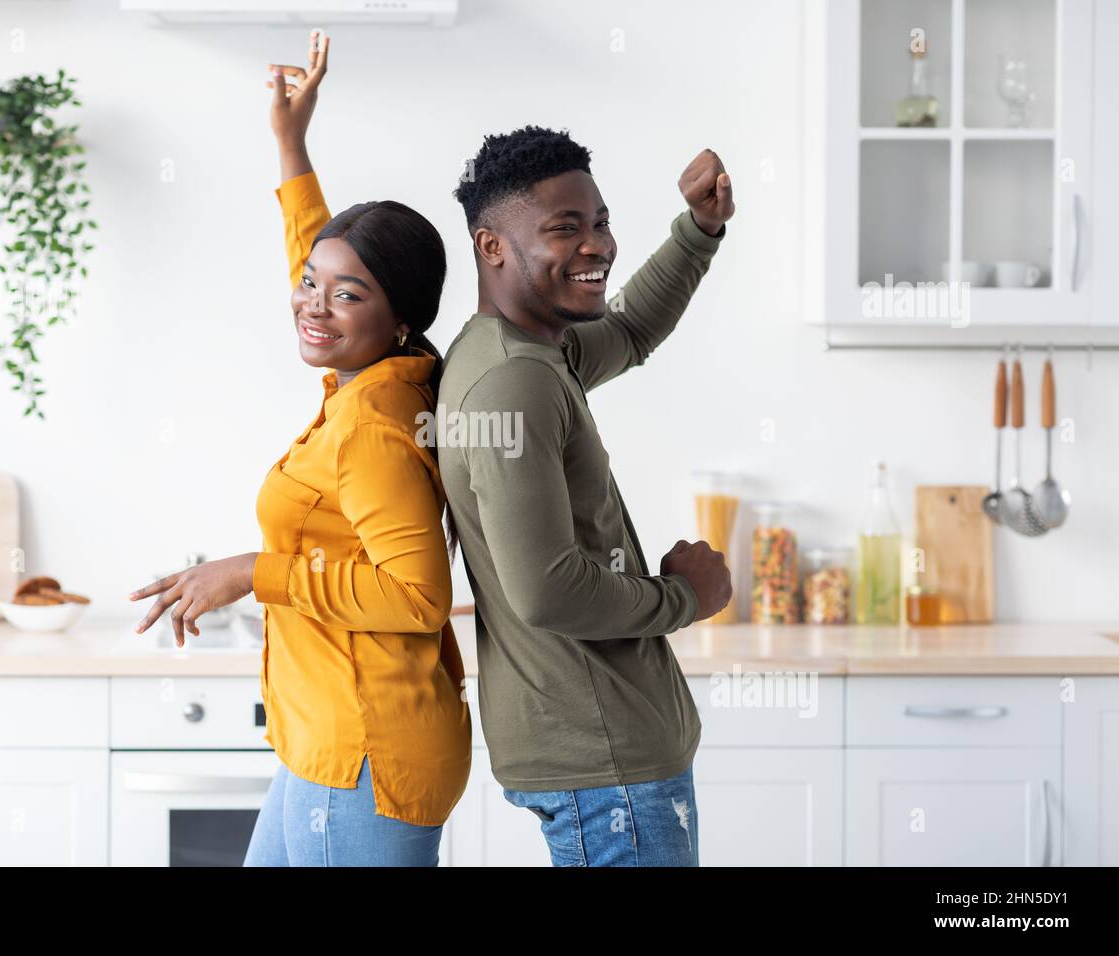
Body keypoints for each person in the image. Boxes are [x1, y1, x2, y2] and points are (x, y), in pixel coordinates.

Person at [127, 32, 470, 867]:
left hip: (361, 757)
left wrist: (253, 573)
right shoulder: (379, 369)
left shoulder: (372, 426)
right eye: (309, 284)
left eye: (345, 294)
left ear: (399, 318)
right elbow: (324, 261)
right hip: (326, 744)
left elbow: (418, 597)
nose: (314, 304)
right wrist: (290, 142)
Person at [435, 127, 736, 866]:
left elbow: (630, 330)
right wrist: (683, 599)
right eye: (565, 228)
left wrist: (699, 231)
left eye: (599, 221)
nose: (597, 244)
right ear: (492, 247)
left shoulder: (532, 350)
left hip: (605, 757)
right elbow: (548, 593)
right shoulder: (515, 379)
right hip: (606, 765)